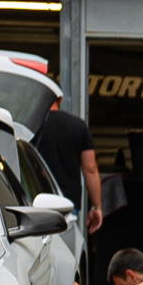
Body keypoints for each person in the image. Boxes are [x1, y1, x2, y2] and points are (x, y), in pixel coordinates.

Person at [31, 95, 103, 233]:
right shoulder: (78, 126)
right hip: (68, 203)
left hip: (37, 201)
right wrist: (96, 207)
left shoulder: (33, 125)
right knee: (67, 248)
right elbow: (91, 169)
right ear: (60, 99)